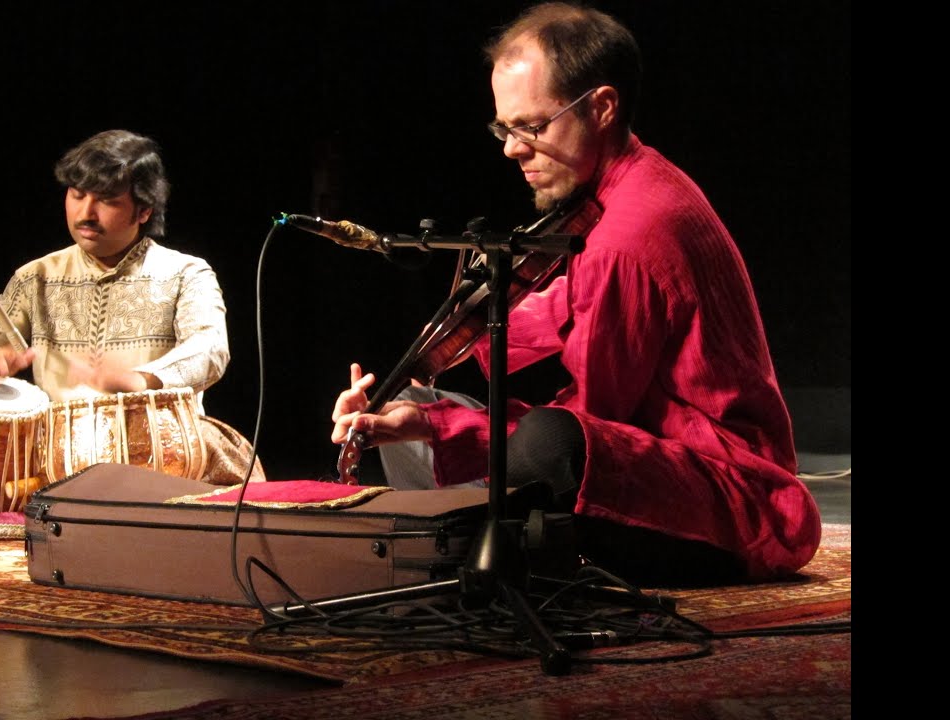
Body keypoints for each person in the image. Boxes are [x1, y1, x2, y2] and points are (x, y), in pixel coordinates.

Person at [330, 2, 819, 586]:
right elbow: (568, 305)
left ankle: (449, 549)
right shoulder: (638, 183)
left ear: (602, 107)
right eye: (504, 129)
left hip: (735, 503)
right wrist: (464, 337)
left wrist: (440, 426)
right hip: (682, 471)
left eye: (532, 127)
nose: (512, 148)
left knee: (547, 439)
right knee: (419, 406)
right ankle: (452, 541)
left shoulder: (627, 236)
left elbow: (588, 424)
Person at [0, 129, 263, 500]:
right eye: (77, 195)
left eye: (106, 200)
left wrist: (141, 380)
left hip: (157, 453)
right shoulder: (35, 277)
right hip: (53, 457)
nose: (85, 214)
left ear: (144, 210)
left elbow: (210, 349)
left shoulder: (186, 273)